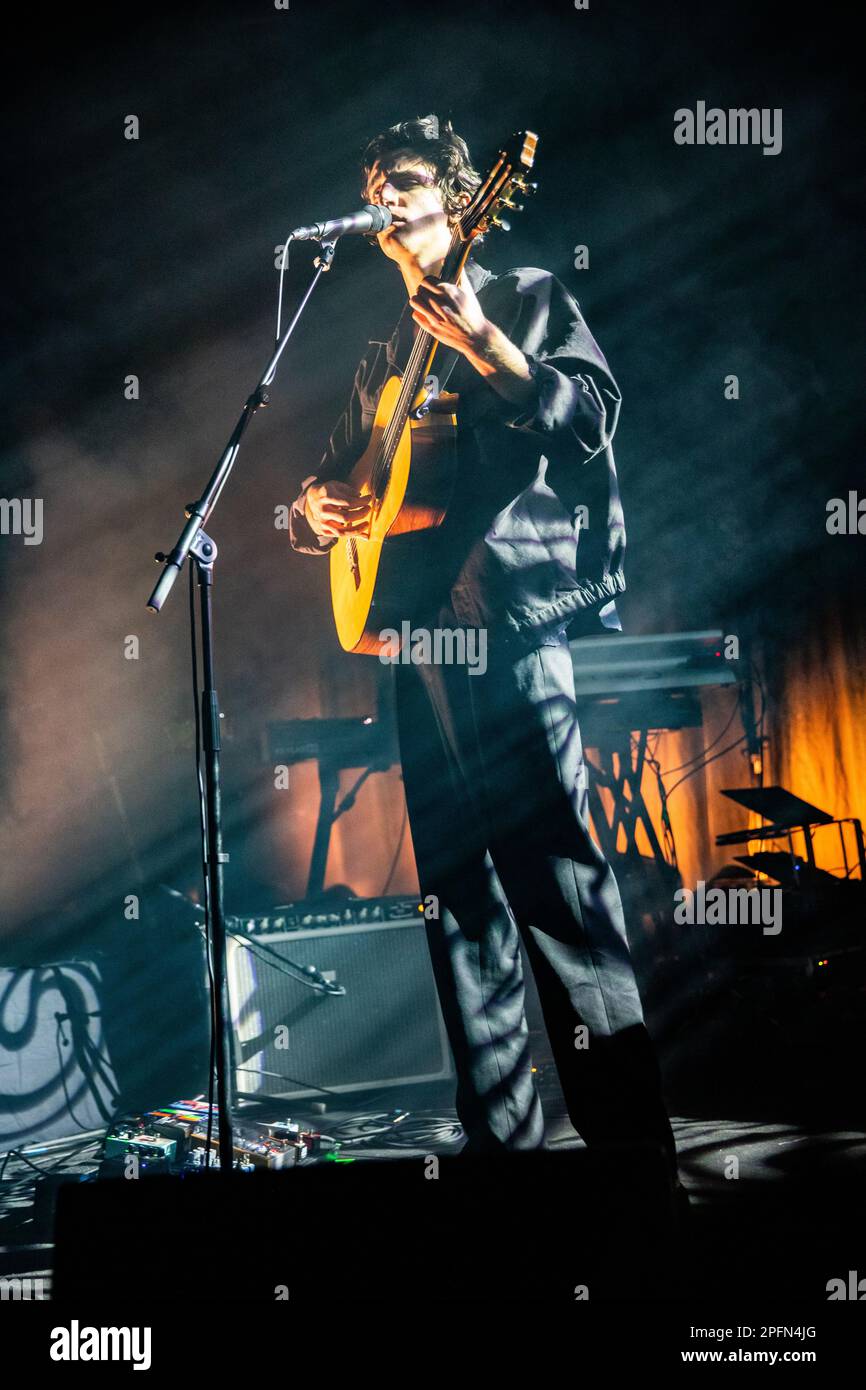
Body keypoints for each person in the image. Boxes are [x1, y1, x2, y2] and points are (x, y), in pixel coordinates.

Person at [289, 114, 687, 1208]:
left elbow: (589, 419)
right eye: (372, 187)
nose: (383, 202)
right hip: (410, 636)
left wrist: (483, 344)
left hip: (508, 628)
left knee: (557, 885)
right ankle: (499, 1151)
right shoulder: (381, 351)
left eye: (403, 182)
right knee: (456, 898)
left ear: (463, 196)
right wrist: (308, 512)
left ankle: (630, 1161)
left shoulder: (523, 294)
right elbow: (331, 488)